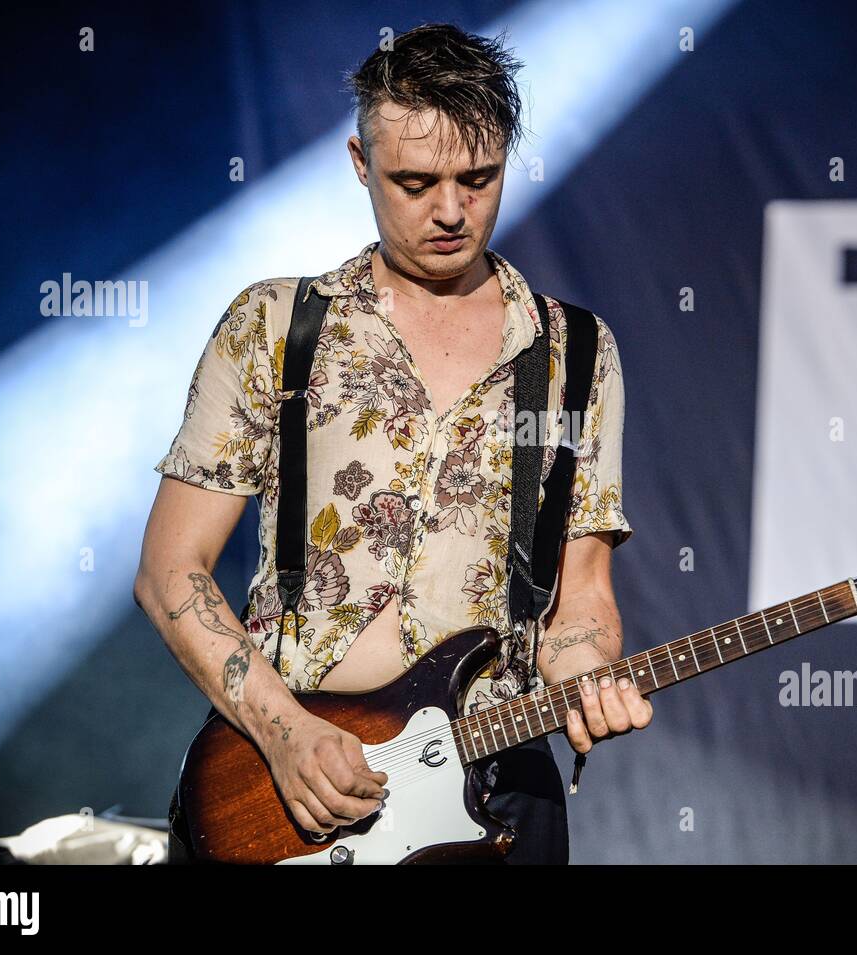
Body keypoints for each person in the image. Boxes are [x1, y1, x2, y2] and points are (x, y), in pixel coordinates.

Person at [132, 22, 651, 865]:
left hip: (496, 792)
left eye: (477, 178)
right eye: (415, 181)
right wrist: (286, 732)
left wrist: (586, 673)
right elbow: (169, 572)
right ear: (358, 163)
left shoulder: (578, 353)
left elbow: (580, 597)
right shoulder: (275, 327)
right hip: (286, 779)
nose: (450, 210)